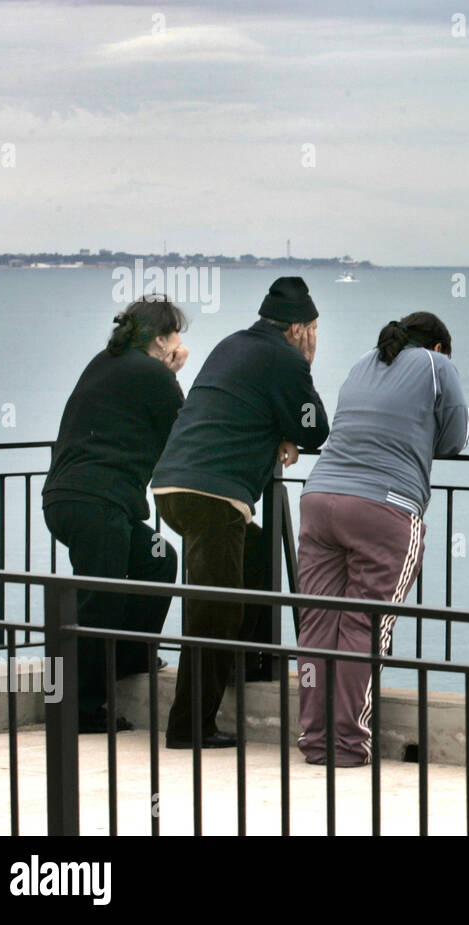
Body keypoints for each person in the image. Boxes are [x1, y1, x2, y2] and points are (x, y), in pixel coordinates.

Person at [151, 277, 329, 749]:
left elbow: (248, 406)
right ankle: (190, 727)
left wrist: (277, 432)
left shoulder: (234, 344)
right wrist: (306, 368)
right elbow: (314, 429)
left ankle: (244, 662)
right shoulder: (287, 358)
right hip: (213, 495)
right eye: (313, 330)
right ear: (298, 329)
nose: (313, 338)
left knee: (254, 554)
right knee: (215, 610)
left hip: (172, 486)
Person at [296, 312, 469, 766]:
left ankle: (314, 741)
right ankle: (348, 745)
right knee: (364, 626)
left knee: (317, 623)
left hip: (319, 498)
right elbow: (456, 438)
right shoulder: (437, 366)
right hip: (384, 506)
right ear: (437, 347)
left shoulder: (361, 363)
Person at [42, 296, 189, 734]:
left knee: (157, 559)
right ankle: (81, 710)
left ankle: (128, 656)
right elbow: (179, 433)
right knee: (99, 600)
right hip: (97, 503)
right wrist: (170, 374)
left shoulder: (105, 361)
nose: (182, 343)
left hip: (70, 499)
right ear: (162, 339)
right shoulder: (152, 373)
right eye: (177, 334)